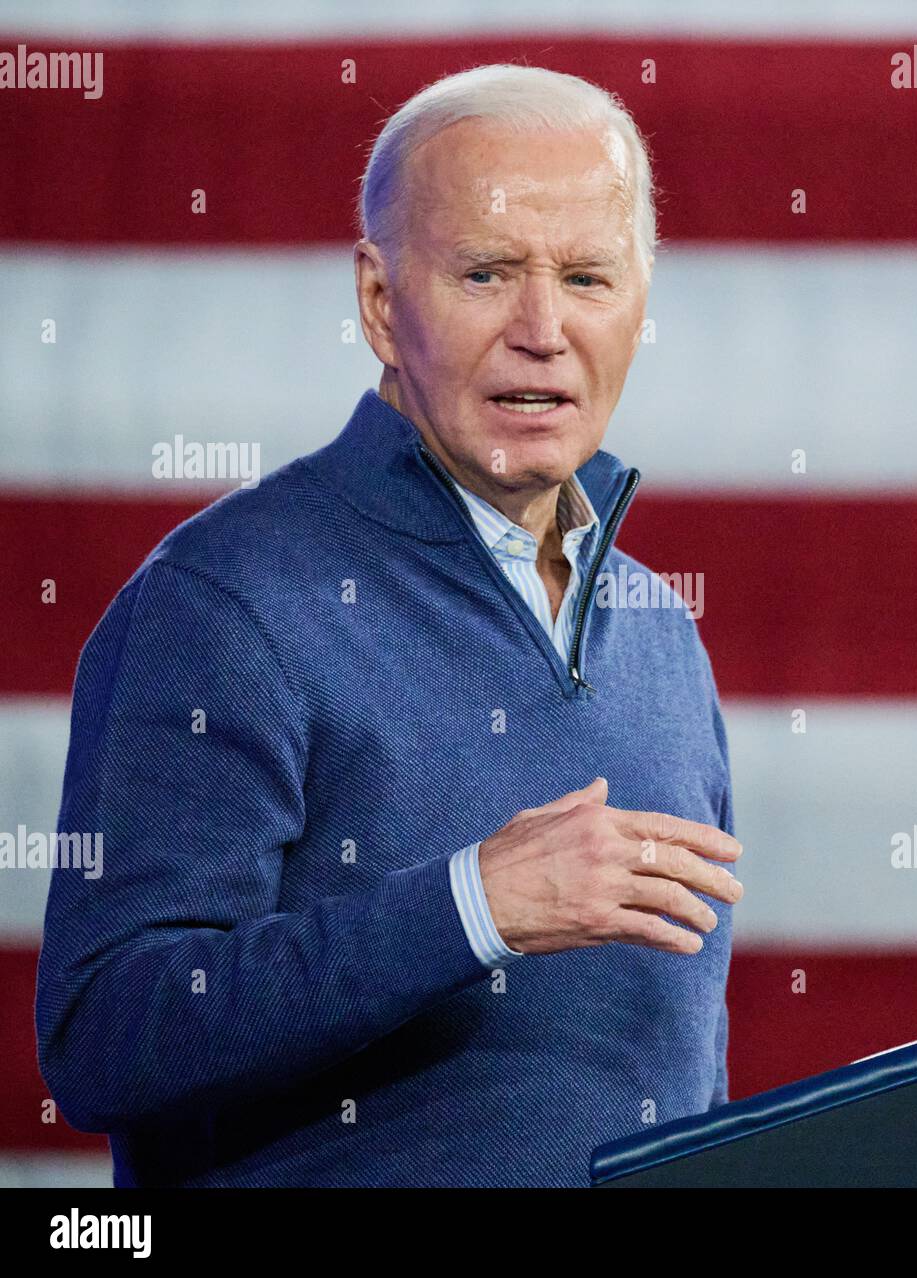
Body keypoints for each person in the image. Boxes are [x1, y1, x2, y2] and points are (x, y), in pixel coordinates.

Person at [35, 63, 741, 1188]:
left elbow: (668, 1072)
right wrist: (471, 908)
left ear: (640, 307)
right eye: (486, 273)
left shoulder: (660, 630)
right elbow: (104, 1038)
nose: (543, 329)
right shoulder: (223, 603)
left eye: (589, 277)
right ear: (379, 301)